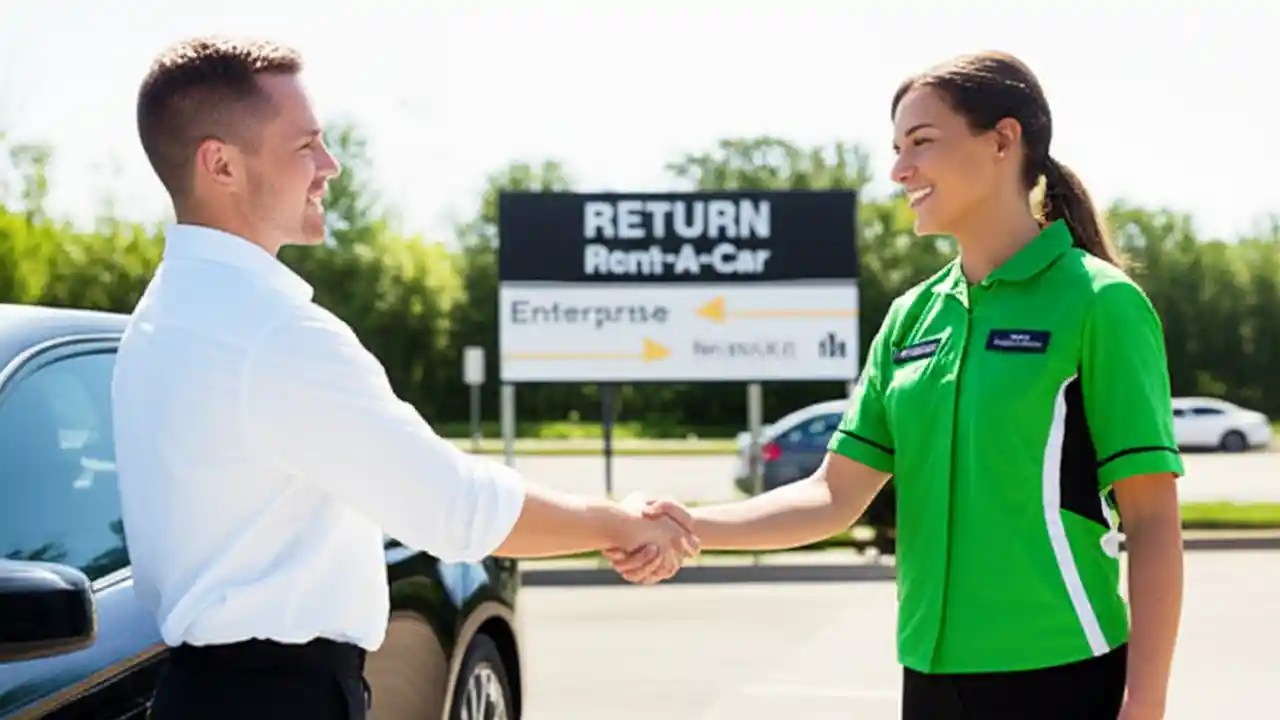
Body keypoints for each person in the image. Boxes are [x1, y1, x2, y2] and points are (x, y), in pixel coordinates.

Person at [112, 36, 697, 720]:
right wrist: (614, 522)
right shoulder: (273, 335)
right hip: (281, 700)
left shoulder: (161, 318)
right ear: (221, 164)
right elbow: (454, 508)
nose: (330, 165)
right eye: (307, 145)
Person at [609, 51, 1184, 720]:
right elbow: (832, 494)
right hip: (930, 675)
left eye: (921, 144)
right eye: (896, 148)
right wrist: (689, 525)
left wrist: (1144, 704)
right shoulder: (913, 316)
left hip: (1063, 672)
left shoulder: (1100, 304)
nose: (899, 170)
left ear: (1003, 140)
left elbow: (1152, 521)